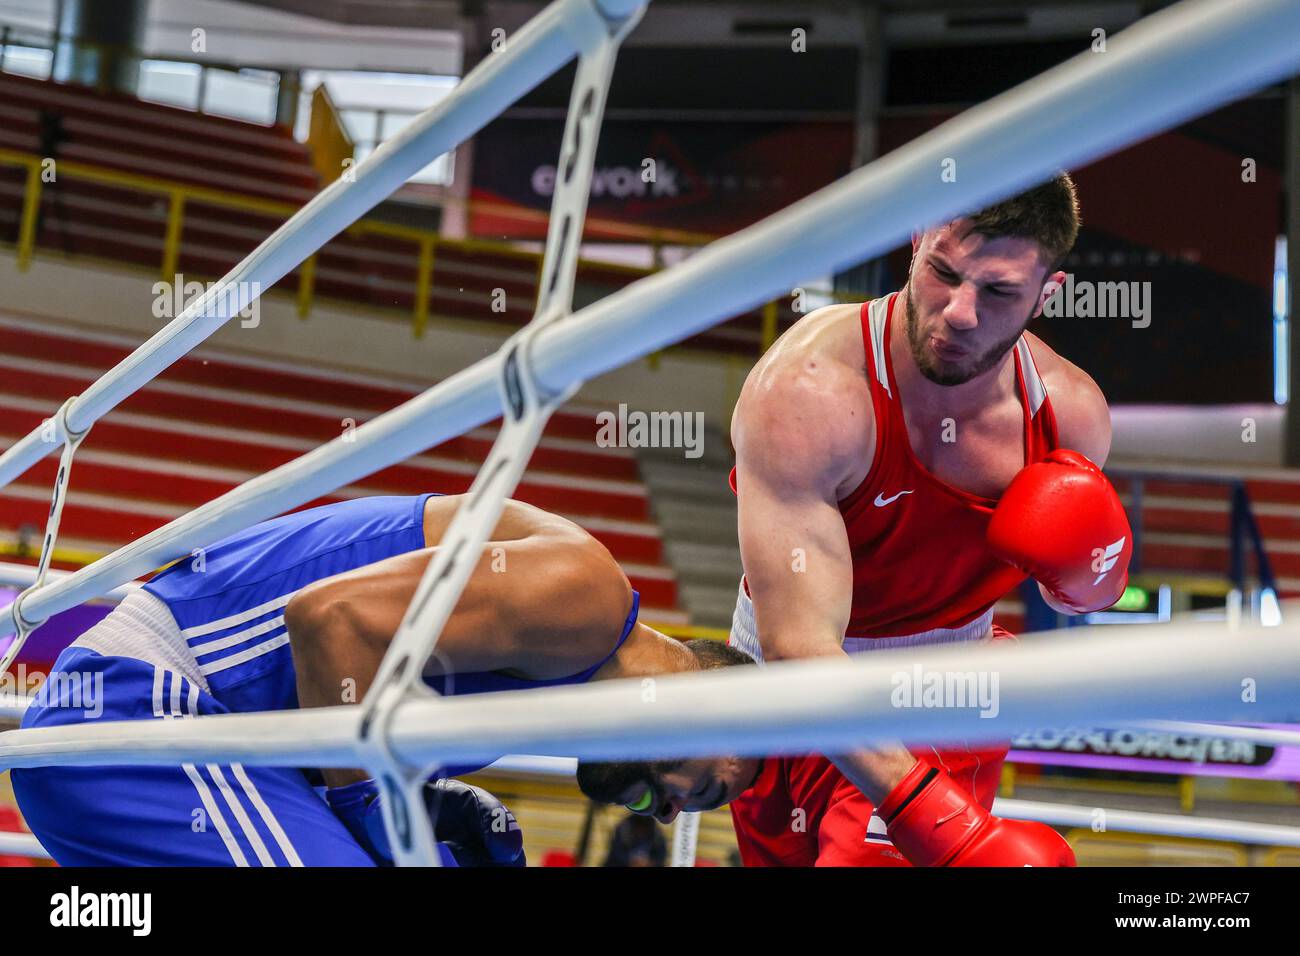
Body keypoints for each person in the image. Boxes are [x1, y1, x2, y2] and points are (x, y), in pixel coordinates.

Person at [722, 172, 1130, 862]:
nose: (960, 312)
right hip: (785, 684)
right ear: (916, 242)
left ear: (1046, 294)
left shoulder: (1067, 417)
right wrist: (943, 820)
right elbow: (799, 643)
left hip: (943, 694)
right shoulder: (807, 393)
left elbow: (1091, 586)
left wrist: (1096, 580)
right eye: (943, 273)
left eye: (998, 291)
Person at [11, 494, 728, 866]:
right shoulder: (590, 601)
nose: (671, 813)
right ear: (711, 705)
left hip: (178, 755)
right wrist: (380, 821)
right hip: (141, 713)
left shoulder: (558, 683)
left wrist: (409, 807)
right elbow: (331, 619)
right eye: (709, 788)